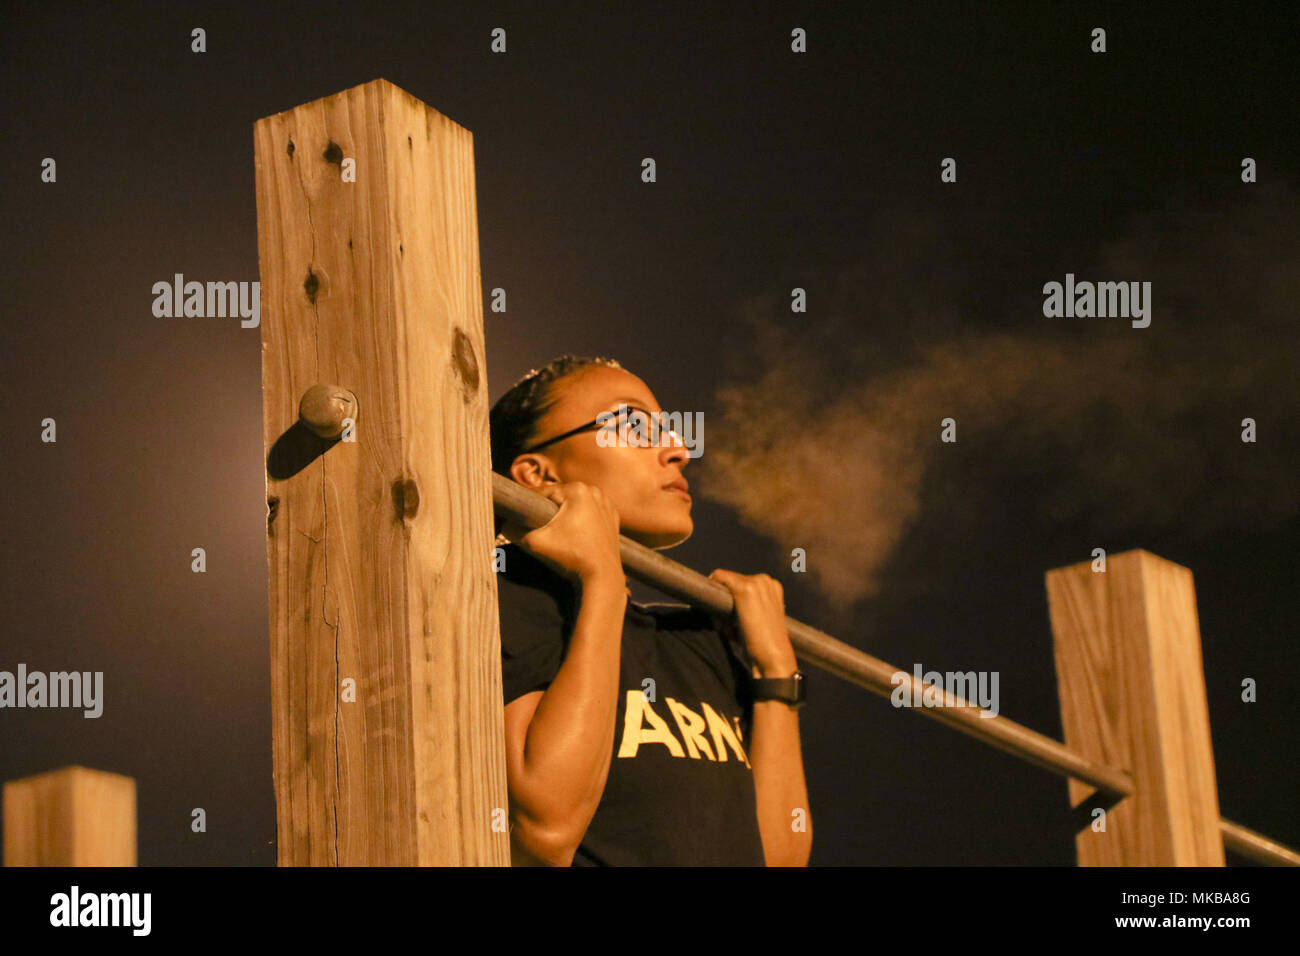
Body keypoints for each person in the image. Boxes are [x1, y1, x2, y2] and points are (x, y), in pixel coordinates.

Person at [490, 354, 812, 866]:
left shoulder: (697, 640)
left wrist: (776, 676)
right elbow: (544, 831)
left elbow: (775, 859)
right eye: (634, 425)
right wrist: (601, 580)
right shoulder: (511, 596)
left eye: (669, 430)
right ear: (537, 473)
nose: (679, 451)